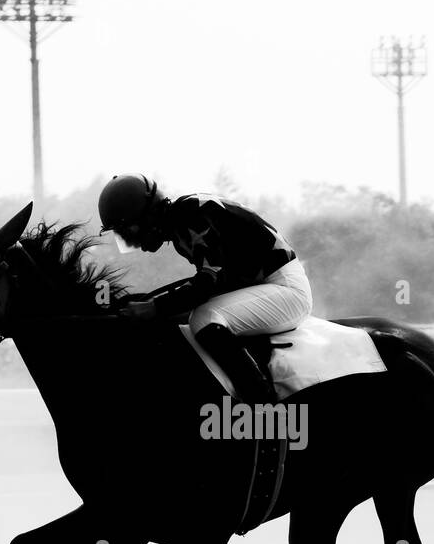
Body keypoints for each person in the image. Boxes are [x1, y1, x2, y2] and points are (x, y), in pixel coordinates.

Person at [98, 174, 311, 405]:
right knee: (186, 314)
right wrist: (155, 305)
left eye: (128, 232)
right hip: (267, 285)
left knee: (205, 318)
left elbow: (209, 282)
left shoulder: (190, 216)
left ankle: (262, 405)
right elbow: (212, 281)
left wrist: (154, 307)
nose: (132, 242)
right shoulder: (184, 219)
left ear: (146, 216)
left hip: (284, 288)